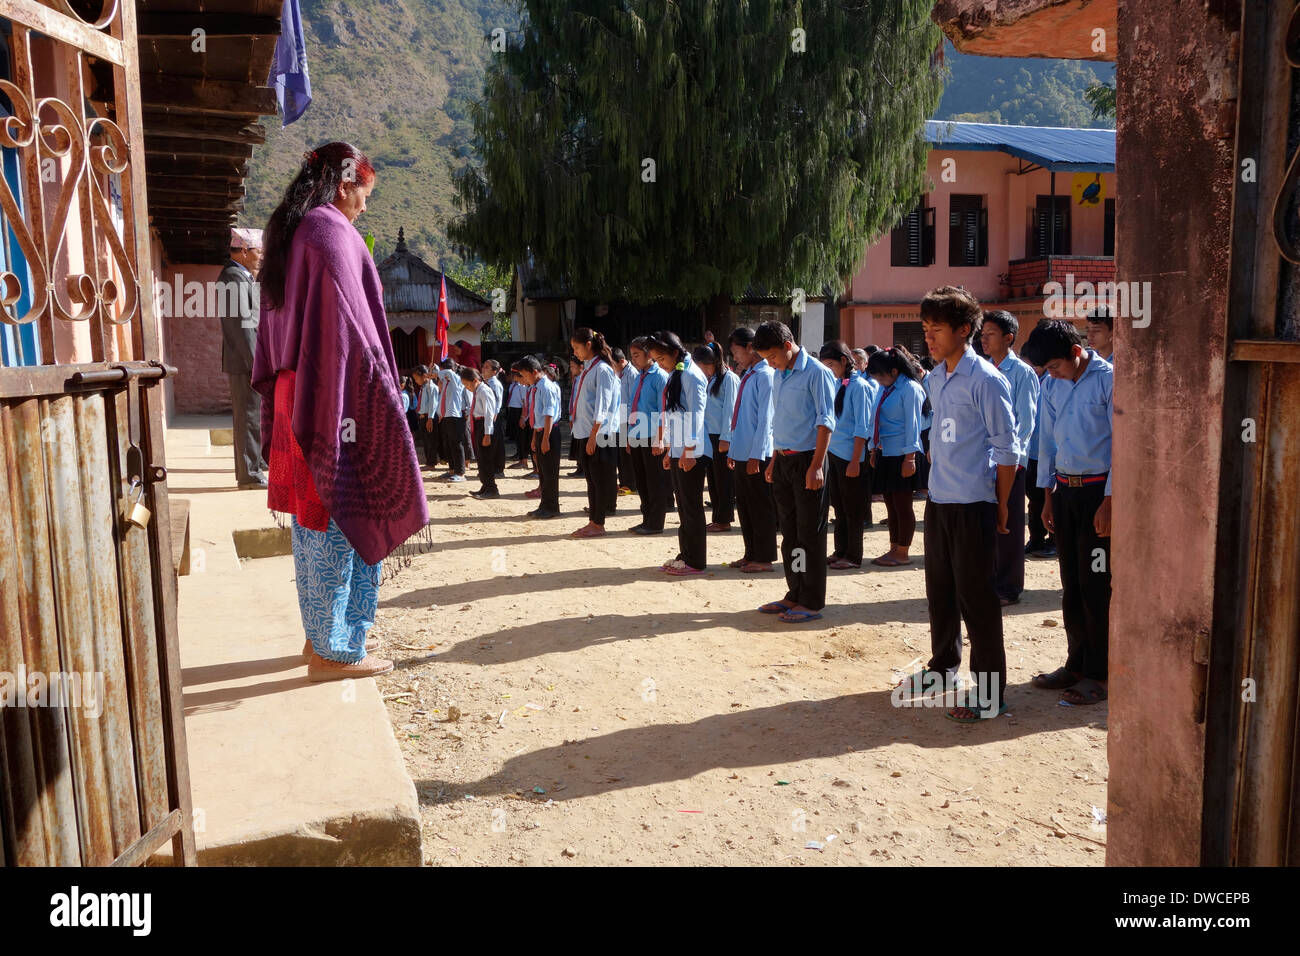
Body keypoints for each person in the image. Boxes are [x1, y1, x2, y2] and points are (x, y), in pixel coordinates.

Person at [253, 141, 428, 681]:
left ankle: (318, 636)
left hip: (297, 395)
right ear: (345, 183)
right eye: (364, 194)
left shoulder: (293, 230)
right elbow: (351, 332)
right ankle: (336, 651)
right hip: (334, 395)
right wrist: (381, 401)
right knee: (342, 518)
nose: (365, 207)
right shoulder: (330, 232)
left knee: (313, 520)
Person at [897, 287, 1018, 722]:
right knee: (940, 593)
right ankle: (943, 667)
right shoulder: (934, 378)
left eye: (937, 329)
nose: (928, 337)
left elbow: (1008, 450)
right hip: (940, 502)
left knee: (978, 601)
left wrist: (1001, 505)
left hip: (973, 504)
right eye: (925, 328)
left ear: (964, 330)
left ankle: (990, 694)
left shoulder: (987, 380)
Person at [1022, 318, 1113, 706]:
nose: (1052, 373)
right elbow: (1047, 440)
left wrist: (1110, 500)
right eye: (1047, 368)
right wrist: (1047, 496)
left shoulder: (1109, 380)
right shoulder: (1051, 384)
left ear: (1076, 352)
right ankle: (1076, 665)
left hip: (1098, 496)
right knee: (1071, 585)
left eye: (1056, 365)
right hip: (1065, 493)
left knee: (1096, 585)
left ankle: (1100, 674)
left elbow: (1121, 444)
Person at [754, 321, 836, 623]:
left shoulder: (817, 373)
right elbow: (781, 421)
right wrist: (774, 460)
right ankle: (795, 591)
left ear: (788, 346)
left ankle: (811, 600)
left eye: (772, 356)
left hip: (808, 461)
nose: (770, 363)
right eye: (765, 359)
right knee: (789, 534)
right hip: (784, 461)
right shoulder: (779, 374)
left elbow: (826, 422)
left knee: (809, 534)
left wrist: (816, 466)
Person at [980, 310, 1040, 606]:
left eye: (990, 334)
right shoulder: (984, 370)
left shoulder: (1022, 373)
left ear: (1008, 338)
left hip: (1011, 462)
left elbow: (1025, 423)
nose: (984, 339)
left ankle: (1008, 587)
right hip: (985, 461)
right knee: (988, 523)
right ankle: (990, 581)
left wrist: (1010, 457)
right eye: (982, 334)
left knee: (1010, 525)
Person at [650, 332, 709, 574]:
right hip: (678, 449)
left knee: (691, 505)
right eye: (656, 360)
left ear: (675, 352)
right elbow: (674, 416)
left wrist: (689, 451)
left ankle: (696, 560)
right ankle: (685, 554)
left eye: (661, 359)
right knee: (683, 506)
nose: (660, 364)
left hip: (692, 451)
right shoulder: (676, 373)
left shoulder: (691, 375)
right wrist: (670, 450)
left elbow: (697, 415)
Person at [865, 347, 926, 566]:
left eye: (880, 376)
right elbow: (876, 418)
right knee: (890, 505)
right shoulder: (885, 389)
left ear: (894, 371)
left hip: (903, 454)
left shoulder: (910, 389)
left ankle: (903, 552)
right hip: (885, 452)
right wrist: (874, 449)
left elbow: (913, 425)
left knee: (902, 505)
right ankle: (893, 548)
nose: (878, 381)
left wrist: (910, 458)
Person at [220, 227, 268, 489]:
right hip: (245, 361)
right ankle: (248, 474)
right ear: (245, 251)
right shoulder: (232, 278)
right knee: (248, 416)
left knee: (254, 415)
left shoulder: (241, 276)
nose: (261, 257)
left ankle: (256, 462)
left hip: (248, 358)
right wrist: (255, 363)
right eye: (259, 252)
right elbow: (242, 326)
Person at [726, 326, 777, 573]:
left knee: (760, 506)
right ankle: (751, 552)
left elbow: (766, 420)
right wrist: (733, 450)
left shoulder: (766, 376)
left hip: (757, 453)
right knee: (745, 506)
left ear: (750, 347)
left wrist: (756, 455)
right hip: (742, 451)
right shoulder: (748, 375)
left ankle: (764, 557)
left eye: (736, 352)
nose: (735, 358)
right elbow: (741, 418)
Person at [819, 341, 872, 569]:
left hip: (850, 456)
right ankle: (840, 550)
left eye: (831, 364)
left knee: (853, 509)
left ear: (843, 360)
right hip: (834, 454)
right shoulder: (837, 383)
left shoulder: (860, 387)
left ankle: (853, 555)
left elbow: (862, 427)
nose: (829, 370)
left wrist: (855, 461)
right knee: (839, 508)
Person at [569, 327, 620, 538]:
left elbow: (603, 406)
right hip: (585, 432)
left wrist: (593, 436)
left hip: (599, 434)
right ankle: (593, 520)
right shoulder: (588, 369)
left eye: (577, 347)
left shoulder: (603, 370)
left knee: (599, 480)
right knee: (591, 480)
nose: (575, 352)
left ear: (588, 345)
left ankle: (598, 523)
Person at [627, 337, 671, 536]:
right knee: (642, 481)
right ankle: (646, 518)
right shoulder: (639, 376)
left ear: (648, 354)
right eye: (632, 355)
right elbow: (633, 406)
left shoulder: (660, 376)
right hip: (637, 434)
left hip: (653, 435)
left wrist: (660, 439)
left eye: (637, 355)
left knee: (655, 481)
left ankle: (656, 522)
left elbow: (663, 410)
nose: (634, 359)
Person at [694, 342, 738, 533]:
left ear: (714, 362)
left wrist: (726, 437)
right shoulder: (709, 379)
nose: (703, 371)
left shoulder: (729, 379)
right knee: (712, 479)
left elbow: (730, 410)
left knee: (723, 479)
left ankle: (724, 519)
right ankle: (717, 517)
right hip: (708, 435)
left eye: (705, 366)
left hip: (722, 436)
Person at [513, 357, 561, 517]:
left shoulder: (546, 387)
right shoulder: (536, 387)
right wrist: (535, 437)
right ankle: (544, 505)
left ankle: (552, 507)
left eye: (525, 375)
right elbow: (537, 416)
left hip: (549, 432)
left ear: (534, 372)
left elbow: (549, 414)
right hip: (540, 431)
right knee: (543, 472)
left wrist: (545, 438)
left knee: (550, 472)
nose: (524, 379)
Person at [1024, 357, 1055, 557]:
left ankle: (1054, 541)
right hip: (1034, 451)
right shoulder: (1032, 380)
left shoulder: (1052, 380)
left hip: (1052, 451)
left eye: (1036, 364)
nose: (1034, 367)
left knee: (1052, 498)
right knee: (1034, 499)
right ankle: (1036, 539)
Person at [435, 357, 467, 482]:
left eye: (442, 369)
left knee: (456, 445)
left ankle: (460, 472)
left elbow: (447, 372)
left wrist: (436, 372)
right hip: (446, 416)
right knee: (448, 444)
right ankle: (452, 469)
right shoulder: (446, 383)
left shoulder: (455, 379)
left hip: (455, 416)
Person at [612, 347, 637, 497]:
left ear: (621, 361)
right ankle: (623, 482)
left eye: (613, 364)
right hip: (620, 418)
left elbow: (633, 400)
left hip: (629, 419)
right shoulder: (619, 373)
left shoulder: (632, 374)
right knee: (621, 454)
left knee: (628, 454)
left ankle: (630, 484)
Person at [482, 359, 508, 478]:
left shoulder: (494, 383)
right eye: (484, 366)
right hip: (489, 415)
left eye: (487, 367)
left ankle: (498, 469)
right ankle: (492, 467)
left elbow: (497, 401)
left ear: (494, 371)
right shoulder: (486, 382)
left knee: (497, 442)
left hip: (495, 415)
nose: (483, 369)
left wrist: (494, 415)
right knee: (492, 442)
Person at [412, 364, 440, 470]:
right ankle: (429, 461)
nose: (416, 381)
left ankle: (432, 463)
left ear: (424, 376)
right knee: (426, 440)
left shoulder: (431, 387)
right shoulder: (423, 388)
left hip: (429, 417)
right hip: (423, 417)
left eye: (416, 378)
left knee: (431, 441)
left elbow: (433, 404)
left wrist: (430, 419)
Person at [565, 356, 586, 478]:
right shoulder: (576, 379)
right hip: (575, 415)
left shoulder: (584, 380)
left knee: (582, 442)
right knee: (577, 442)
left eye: (573, 367)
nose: (571, 369)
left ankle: (583, 468)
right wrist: (571, 416)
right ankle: (579, 466)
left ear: (581, 367)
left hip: (581, 416)